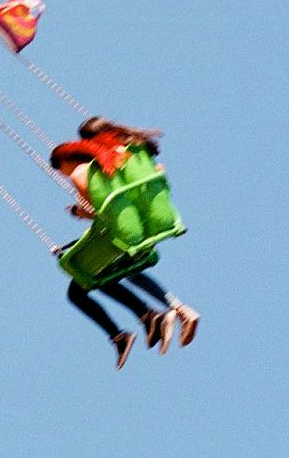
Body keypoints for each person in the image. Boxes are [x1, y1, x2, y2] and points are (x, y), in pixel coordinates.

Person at [51, 120, 198, 368]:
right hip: (151, 226)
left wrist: (79, 211)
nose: (63, 175)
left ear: (67, 160)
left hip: (123, 237)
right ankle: (160, 314)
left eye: (60, 169)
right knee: (117, 274)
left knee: (81, 287)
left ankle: (135, 326)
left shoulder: (88, 170)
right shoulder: (136, 151)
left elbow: (101, 213)